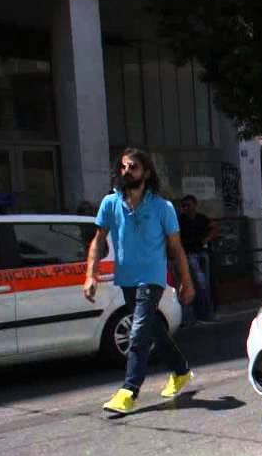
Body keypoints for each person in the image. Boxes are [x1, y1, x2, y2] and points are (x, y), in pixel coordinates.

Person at [84, 148, 196, 416]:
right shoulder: (110, 203)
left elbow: (177, 248)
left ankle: (129, 390)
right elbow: (98, 240)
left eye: (132, 167)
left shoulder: (162, 207)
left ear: (146, 172)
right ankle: (181, 371)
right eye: (122, 167)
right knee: (154, 328)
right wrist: (91, 273)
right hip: (127, 279)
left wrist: (187, 282)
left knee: (138, 332)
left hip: (152, 279)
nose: (126, 172)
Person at [177, 195, 217, 324]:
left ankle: (205, 313)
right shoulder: (180, 220)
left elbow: (214, 227)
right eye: (184, 206)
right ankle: (201, 315)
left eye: (188, 205)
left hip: (201, 252)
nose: (186, 208)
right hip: (188, 254)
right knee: (199, 283)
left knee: (205, 284)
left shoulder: (201, 218)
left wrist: (207, 239)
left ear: (195, 205)